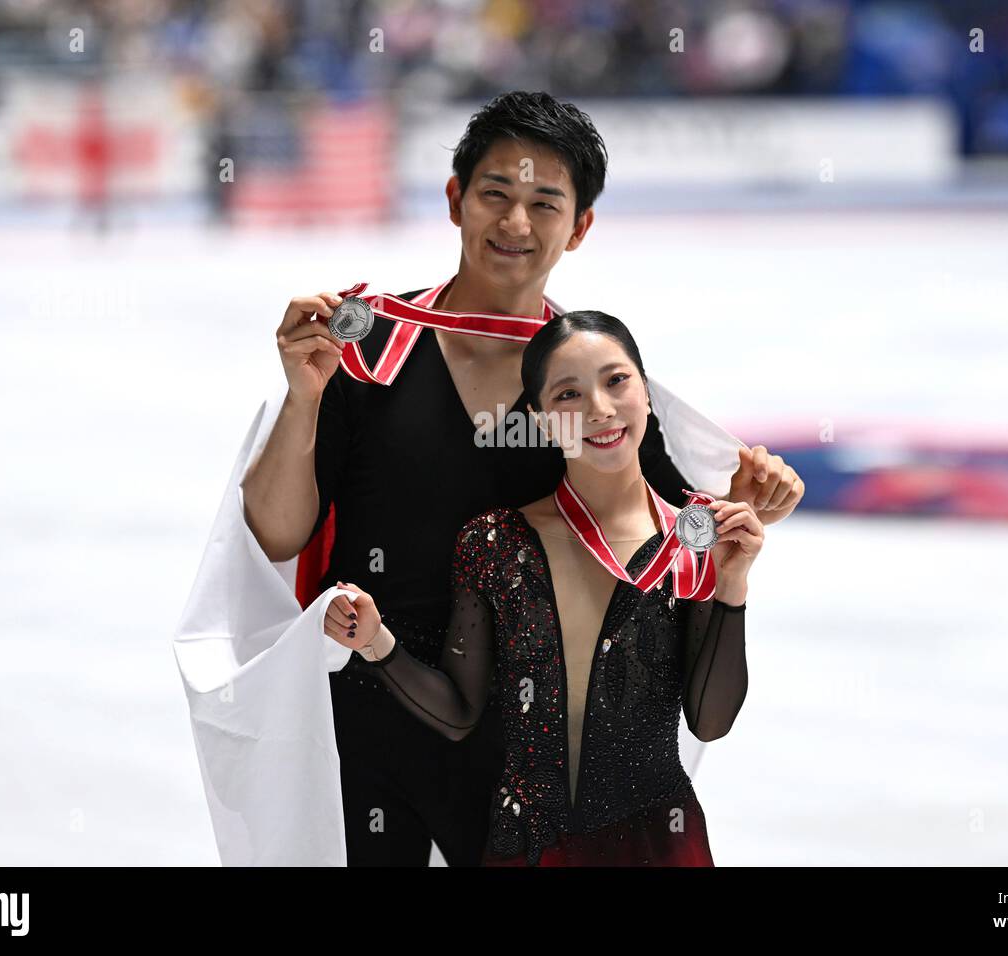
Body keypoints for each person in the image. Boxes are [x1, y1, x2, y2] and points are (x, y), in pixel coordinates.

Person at [239, 91, 803, 866]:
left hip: (529, 749)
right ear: (454, 200)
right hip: (371, 712)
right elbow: (276, 533)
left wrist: (747, 504)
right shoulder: (373, 351)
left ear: (579, 227)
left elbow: (670, 539)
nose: (515, 224)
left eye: (544, 203)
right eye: (495, 194)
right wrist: (304, 400)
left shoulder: (585, 380)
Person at [323, 311, 761, 866]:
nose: (599, 409)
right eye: (569, 394)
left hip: (657, 843)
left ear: (646, 392)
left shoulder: (689, 543)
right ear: (541, 420)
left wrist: (734, 587)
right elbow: (460, 711)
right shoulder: (496, 544)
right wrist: (377, 643)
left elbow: (710, 721)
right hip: (526, 845)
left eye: (616, 380)